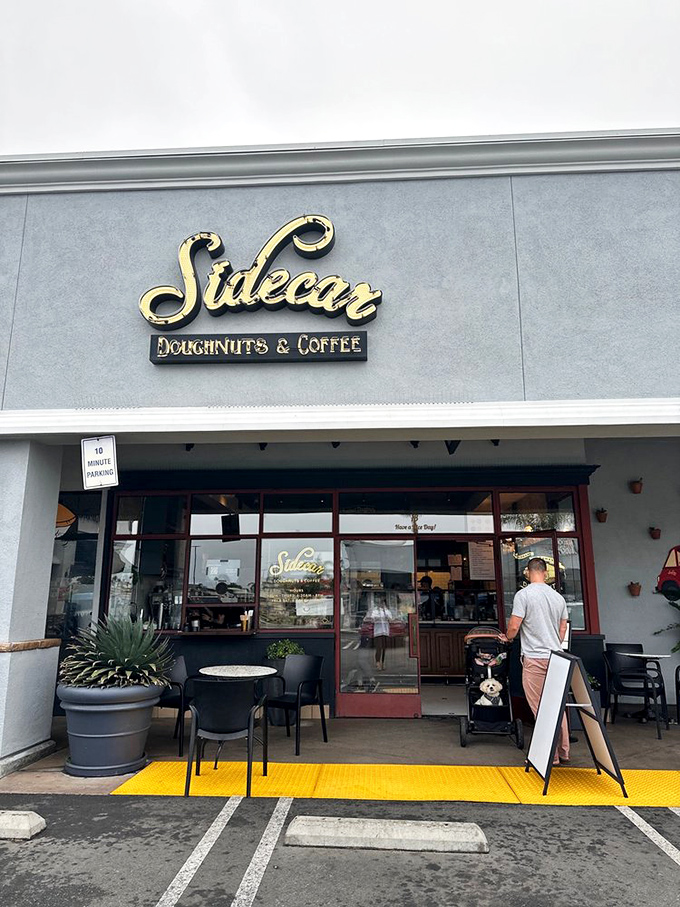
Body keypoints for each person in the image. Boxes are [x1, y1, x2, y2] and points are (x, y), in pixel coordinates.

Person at [505, 557, 570, 765]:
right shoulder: (558, 597)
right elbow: (563, 627)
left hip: (534, 657)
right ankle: (564, 750)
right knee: (557, 705)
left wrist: (508, 637)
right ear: (545, 572)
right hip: (557, 657)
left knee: (540, 707)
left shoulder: (523, 595)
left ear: (527, 571)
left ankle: (549, 755)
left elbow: (515, 625)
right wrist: (554, 642)